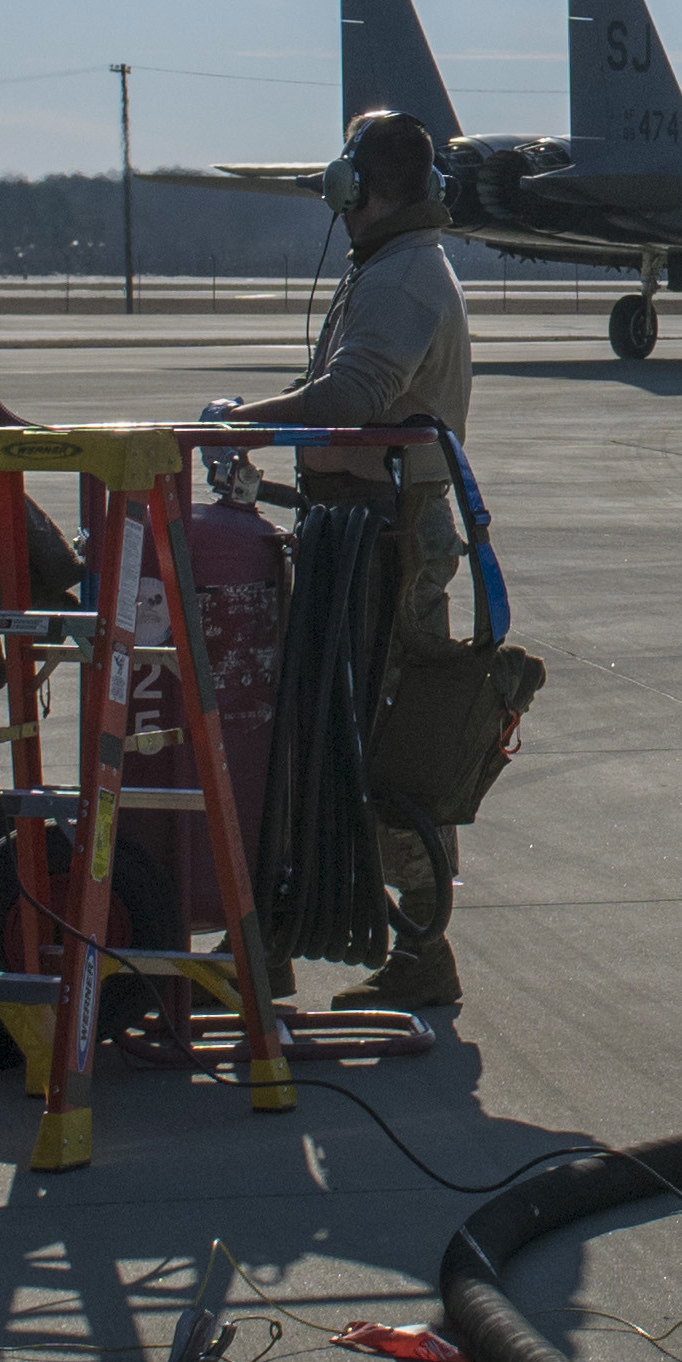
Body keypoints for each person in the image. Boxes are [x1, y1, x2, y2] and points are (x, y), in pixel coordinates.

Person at [215, 106, 477, 1015]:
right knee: (315, 729)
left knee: (378, 740)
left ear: (355, 188)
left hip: (386, 538)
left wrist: (240, 421)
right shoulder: (390, 267)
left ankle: (420, 944)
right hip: (355, 529)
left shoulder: (404, 279)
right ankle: (276, 937)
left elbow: (353, 396)